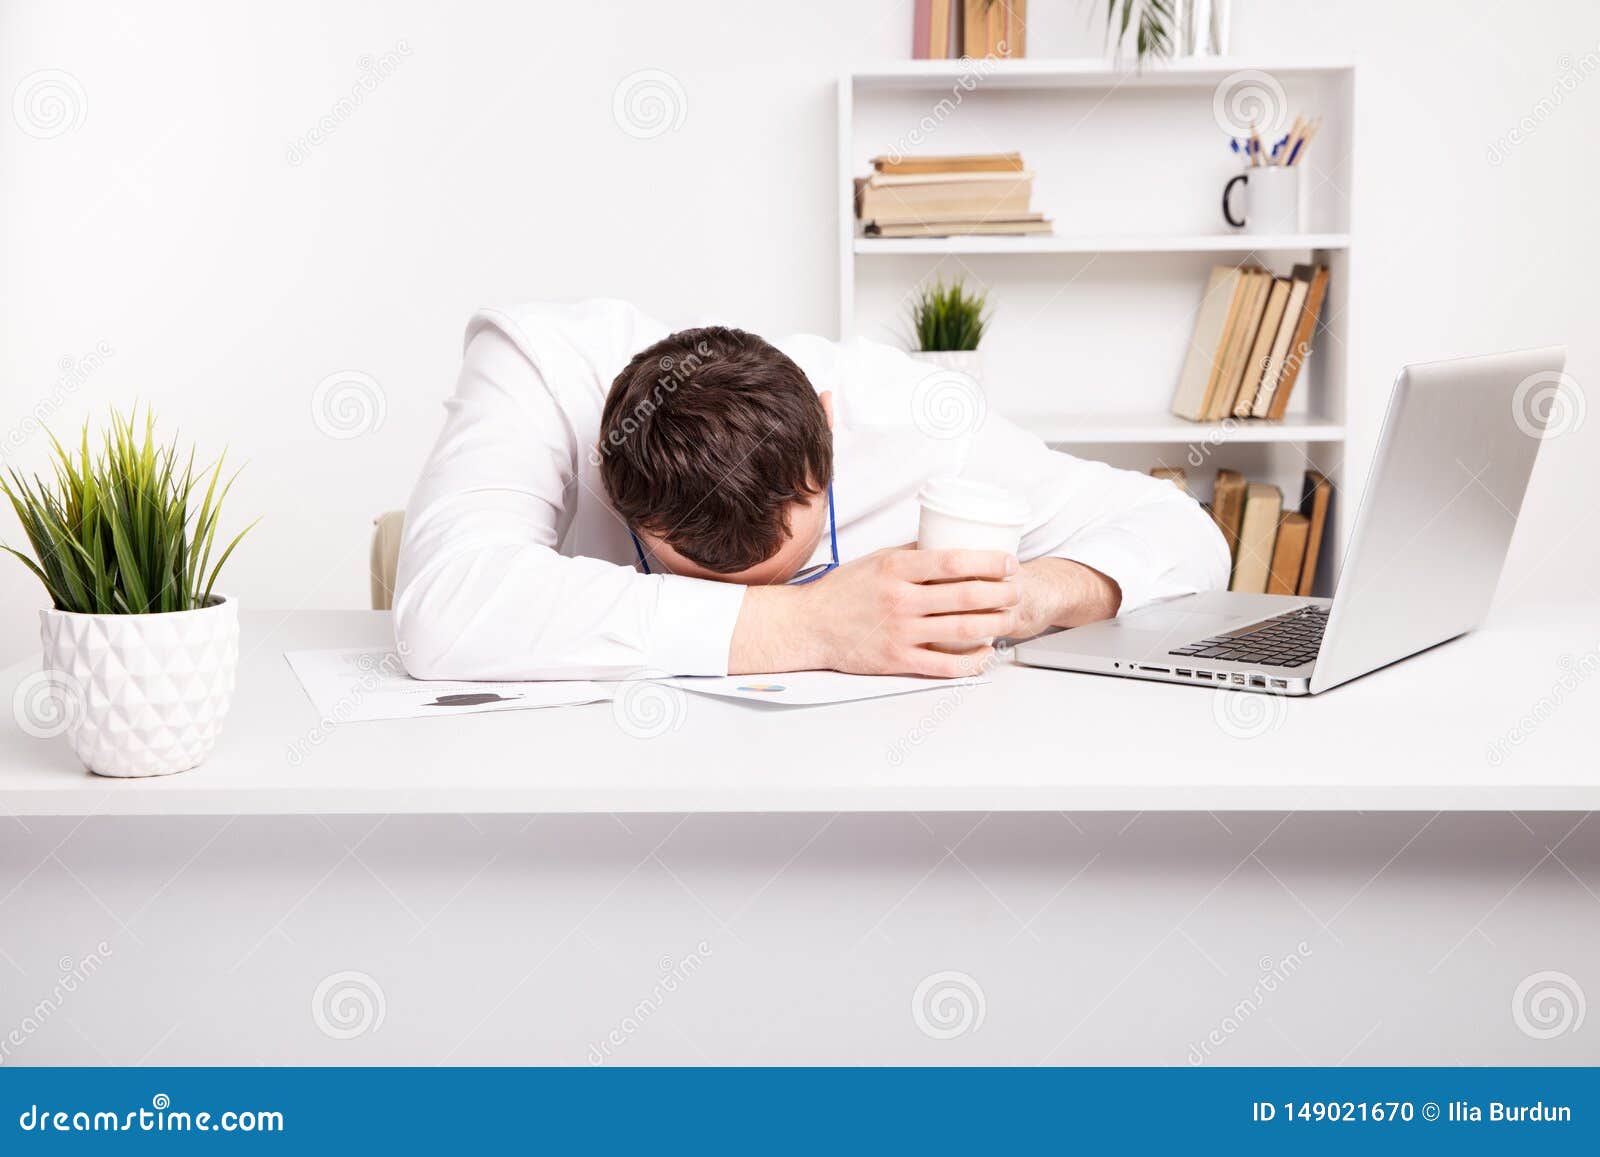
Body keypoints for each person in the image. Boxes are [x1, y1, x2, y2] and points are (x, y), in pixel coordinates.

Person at [394, 299, 1228, 680]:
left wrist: (1028, 596)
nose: (760, 593)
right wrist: (814, 621)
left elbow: (1184, 532)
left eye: (787, 565)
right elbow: (444, 610)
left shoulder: (911, 416)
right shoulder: (537, 367)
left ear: (828, 429)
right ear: (615, 492)